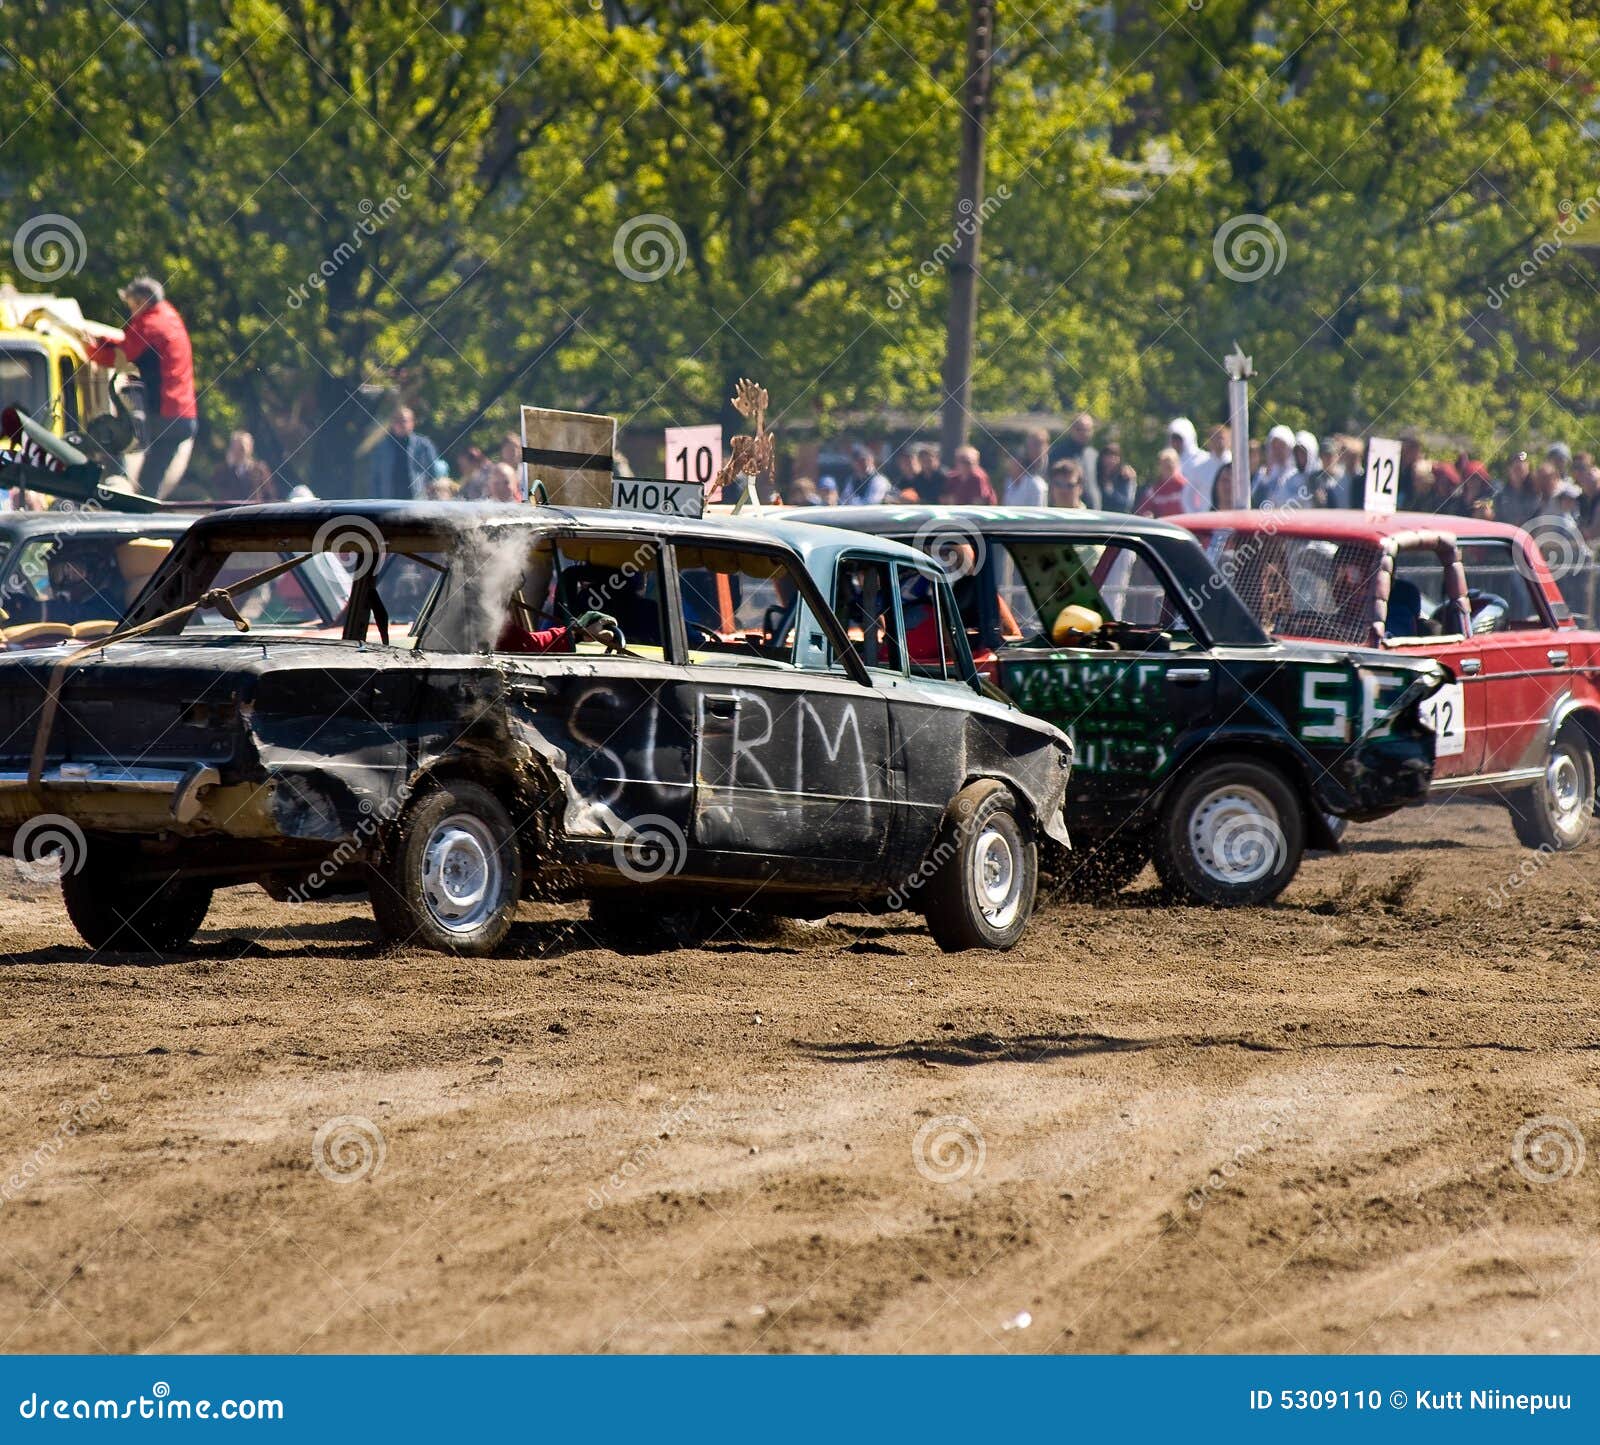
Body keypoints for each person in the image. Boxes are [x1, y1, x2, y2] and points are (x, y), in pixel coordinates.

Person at [85, 275, 197, 499]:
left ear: (143, 300)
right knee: (150, 479)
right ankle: (139, 509)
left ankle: (132, 509)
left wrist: (89, 349)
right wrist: (102, 340)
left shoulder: (150, 324)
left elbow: (121, 356)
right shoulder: (168, 316)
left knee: (119, 443)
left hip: (166, 414)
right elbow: (128, 345)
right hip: (182, 414)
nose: (131, 311)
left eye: (131, 304)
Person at [367, 406, 440, 500]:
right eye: (397, 421)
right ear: (392, 424)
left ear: (412, 422)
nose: (401, 424)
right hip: (388, 502)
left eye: (404, 420)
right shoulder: (382, 447)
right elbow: (375, 477)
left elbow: (434, 475)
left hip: (417, 502)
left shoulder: (424, 445)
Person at [210, 429, 275, 503]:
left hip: (255, 510)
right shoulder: (222, 470)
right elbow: (216, 491)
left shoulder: (260, 469)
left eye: (242, 447)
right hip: (230, 510)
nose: (239, 451)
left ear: (250, 447)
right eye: (236, 447)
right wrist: (229, 467)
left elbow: (270, 494)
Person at [1136, 448, 1203, 517]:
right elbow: (1144, 509)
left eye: (1169, 464)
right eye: (1163, 464)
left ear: (1177, 464)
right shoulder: (1154, 489)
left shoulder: (1186, 486)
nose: (1166, 468)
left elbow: (1197, 509)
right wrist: (1148, 514)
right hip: (1164, 526)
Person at [1252, 425, 1300, 509]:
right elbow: (1255, 501)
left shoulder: (1296, 474)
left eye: (1281, 446)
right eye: (1274, 446)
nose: (1277, 451)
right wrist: (1267, 476)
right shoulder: (1262, 473)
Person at [1056, 411, 1098, 498]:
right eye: (1079, 429)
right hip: (1068, 508)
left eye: (1087, 430)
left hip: (1092, 509)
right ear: (1071, 429)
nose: (1083, 433)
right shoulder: (1059, 453)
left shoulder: (1094, 454)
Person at [1496, 450, 1539, 529]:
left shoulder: (1537, 492)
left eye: (1521, 467)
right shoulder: (1500, 495)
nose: (1519, 468)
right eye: (1516, 468)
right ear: (1508, 469)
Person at [1187, 425, 1230, 499]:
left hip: (1231, 510)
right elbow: (1187, 495)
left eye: (1222, 438)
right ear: (1209, 441)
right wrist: (1198, 510)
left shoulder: (1235, 464)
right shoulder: (1200, 467)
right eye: (1215, 438)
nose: (1219, 441)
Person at [1096, 442, 1135, 512]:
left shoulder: (1124, 476)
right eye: (1107, 456)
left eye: (1115, 457)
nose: (1111, 460)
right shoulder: (1096, 474)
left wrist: (1110, 491)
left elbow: (1126, 504)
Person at [1167, 417, 1207, 482]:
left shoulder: (1202, 459)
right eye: (1173, 439)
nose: (1175, 443)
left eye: (1178, 439)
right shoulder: (1168, 462)